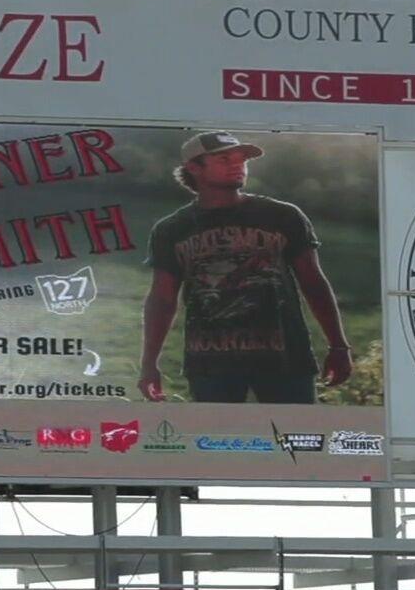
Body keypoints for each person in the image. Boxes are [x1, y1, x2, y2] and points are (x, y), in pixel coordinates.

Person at [139, 131, 352, 404]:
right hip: (210, 366)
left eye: (242, 159)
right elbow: (162, 299)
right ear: (194, 168)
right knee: (218, 444)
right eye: (224, 159)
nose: (237, 165)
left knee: (295, 443)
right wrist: (149, 364)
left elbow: (313, 282)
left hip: (286, 360)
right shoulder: (172, 229)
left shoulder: (283, 216)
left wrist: (338, 345)